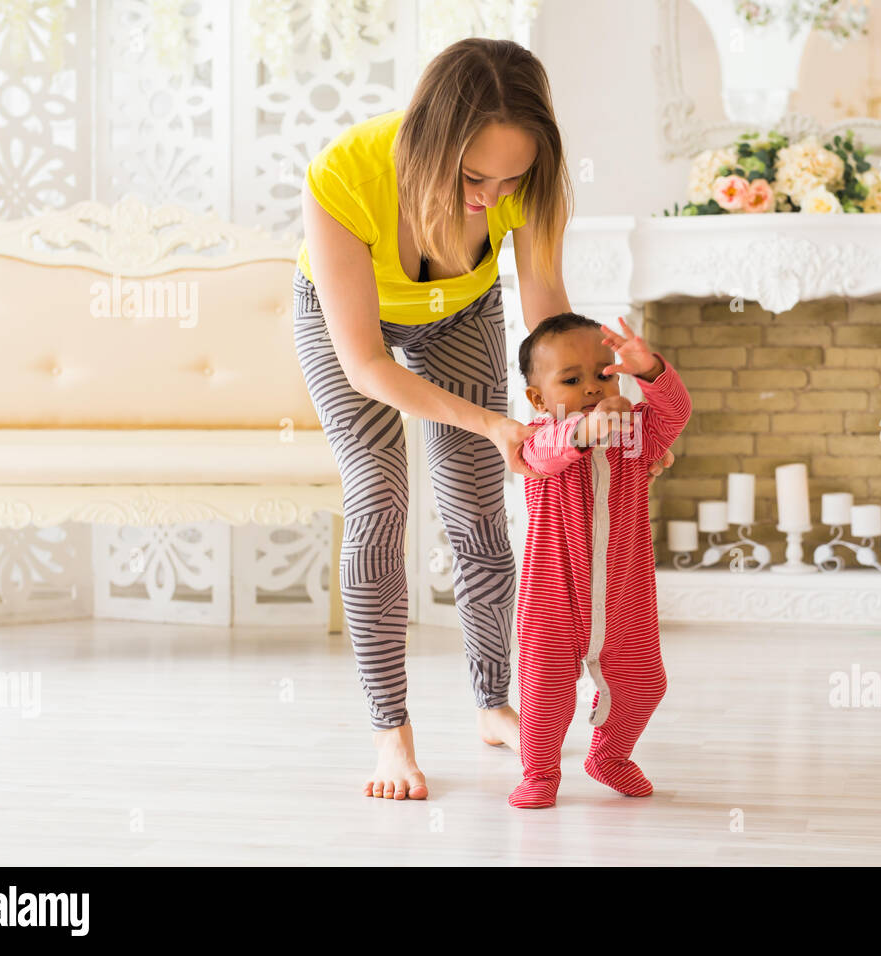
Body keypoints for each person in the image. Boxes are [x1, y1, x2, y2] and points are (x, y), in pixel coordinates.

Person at [292, 38, 675, 801]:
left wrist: (610, 413)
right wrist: (494, 424)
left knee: (477, 512)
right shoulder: (344, 174)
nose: (493, 196)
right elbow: (369, 364)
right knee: (378, 501)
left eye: (512, 180)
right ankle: (389, 731)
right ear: (430, 142)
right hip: (352, 328)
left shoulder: (528, 185)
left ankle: (492, 702)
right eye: (474, 178)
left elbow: (545, 321)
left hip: (460, 316)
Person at [511, 314, 692, 808]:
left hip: (625, 592)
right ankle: (541, 772)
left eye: (603, 373)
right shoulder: (537, 439)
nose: (591, 387)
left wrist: (650, 369)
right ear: (538, 398)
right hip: (553, 594)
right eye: (571, 380)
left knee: (645, 681)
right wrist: (585, 429)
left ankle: (609, 755)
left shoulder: (635, 432)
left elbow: (675, 413)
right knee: (545, 689)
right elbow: (550, 453)